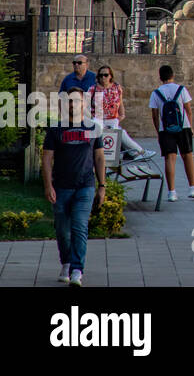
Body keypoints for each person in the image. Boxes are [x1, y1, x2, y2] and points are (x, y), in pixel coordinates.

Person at [42, 88, 105, 287]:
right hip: (61, 187)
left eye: (77, 101)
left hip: (85, 186)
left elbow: (99, 157)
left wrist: (102, 186)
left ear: (84, 104)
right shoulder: (55, 129)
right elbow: (46, 159)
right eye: (69, 101)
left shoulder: (93, 127)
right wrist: (48, 185)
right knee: (62, 229)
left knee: (79, 226)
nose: (73, 105)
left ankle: (77, 269)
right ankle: (66, 262)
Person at [149, 65, 194, 202]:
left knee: (169, 159)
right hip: (183, 126)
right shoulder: (181, 89)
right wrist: (190, 126)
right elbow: (188, 110)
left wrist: (158, 131)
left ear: (160, 77)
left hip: (165, 129)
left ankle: (172, 192)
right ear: (172, 75)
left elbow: (155, 115)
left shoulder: (156, 93)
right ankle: (193, 187)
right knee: (188, 156)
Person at [87, 65, 153, 161]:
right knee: (104, 133)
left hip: (113, 119)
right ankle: (138, 152)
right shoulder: (93, 89)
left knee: (121, 134)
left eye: (106, 75)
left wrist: (122, 114)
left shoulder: (116, 87)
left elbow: (120, 102)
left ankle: (139, 152)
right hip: (98, 118)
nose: (103, 78)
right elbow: (86, 107)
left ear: (110, 76)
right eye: (101, 75)